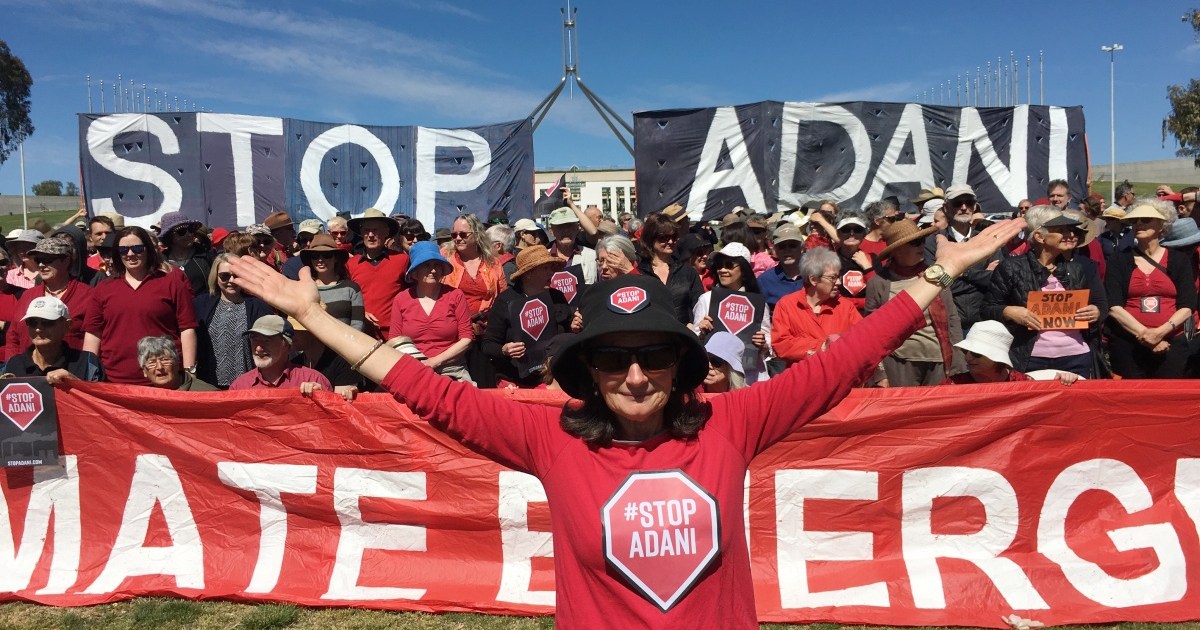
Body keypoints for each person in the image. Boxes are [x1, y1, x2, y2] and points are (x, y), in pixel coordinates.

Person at [226, 214, 1021, 629]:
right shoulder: (549, 435)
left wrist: (942, 273)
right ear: (585, 370)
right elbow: (427, 390)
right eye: (611, 359)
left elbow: (839, 362)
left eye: (653, 355)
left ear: (681, 364)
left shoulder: (732, 423)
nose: (635, 375)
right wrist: (314, 317)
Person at [982, 208, 1107, 378]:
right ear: (1040, 237)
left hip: (1076, 356)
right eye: (1061, 230)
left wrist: (1094, 312)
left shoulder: (1076, 269)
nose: (1069, 234)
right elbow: (987, 308)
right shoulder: (1011, 267)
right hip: (1029, 357)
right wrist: (1009, 311)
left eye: (1069, 229)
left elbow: (1098, 306)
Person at [83, 226, 199, 384]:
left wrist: (189, 372)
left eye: (137, 248)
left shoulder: (172, 283)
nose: (130, 254)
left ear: (149, 250)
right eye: (123, 250)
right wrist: (89, 375)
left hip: (164, 379)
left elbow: (187, 329)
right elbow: (92, 333)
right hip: (115, 380)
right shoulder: (103, 288)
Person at [1104, 199, 1196, 378]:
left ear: (1162, 225)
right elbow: (1114, 306)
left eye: (1145, 219)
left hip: (1172, 343)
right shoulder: (1119, 260)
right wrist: (1146, 335)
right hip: (1128, 343)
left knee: (1168, 398)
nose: (1138, 224)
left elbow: (1187, 305)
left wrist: (1160, 333)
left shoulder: (1179, 260)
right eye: (1135, 220)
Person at [867, 219, 965, 386]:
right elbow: (870, 332)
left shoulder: (938, 273)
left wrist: (959, 360)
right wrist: (879, 373)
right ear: (897, 250)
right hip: (898, 362)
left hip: (939, 360)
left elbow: (952, 318)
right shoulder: (878, 283)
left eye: (922, 241)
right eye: (915, 242)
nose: (921, 246)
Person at [482, 246, 574, 388]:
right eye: (545, 269)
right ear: (528, 274)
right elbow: (488, 345)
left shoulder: (557, 296)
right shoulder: (506, 301)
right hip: (516, 381)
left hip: (555, 378)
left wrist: (575, 327)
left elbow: (568, 332)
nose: (551, 273)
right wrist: (505, 350)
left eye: (551, 268)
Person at [389, 241, 474, 383]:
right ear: (415, 272)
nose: (433, 270)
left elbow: (467, 338)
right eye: (427, 265)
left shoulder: (455, 295)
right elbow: (395, 341)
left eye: (437, 265)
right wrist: (417, 365)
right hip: (412, 369)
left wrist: (434, 362)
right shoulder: (401, 299)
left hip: (452, 369)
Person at [924, 184, 1001, 332]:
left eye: (969, 202)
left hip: (983, 321)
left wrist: (962, 273)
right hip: (949, 323)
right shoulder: (934, 241)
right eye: (957, 203)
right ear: (946, 207)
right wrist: (982, 275)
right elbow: (936, 282)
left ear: (974, 206)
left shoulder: (988, 238)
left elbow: (997, 280)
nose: (964, 207)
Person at [691, 243, 771, 383]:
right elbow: (695, 343)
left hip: (751, 379)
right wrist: (702, 333)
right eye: (719, 265)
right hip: (718, 380)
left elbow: (768, 339)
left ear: (744, 270)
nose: (722, 270)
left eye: (729, 265)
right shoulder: (706, 300)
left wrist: (763, 343)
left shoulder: (757, 303)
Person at [6, 236, 93, 363]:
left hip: (70, 373)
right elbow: (13, 336)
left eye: (48, 260)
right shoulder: (28, 296)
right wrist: (12, 369)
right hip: (29, 374)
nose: (41, 265)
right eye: (38, 260)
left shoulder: (88, 296)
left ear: (66, 261)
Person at [193, 253, 273, 389]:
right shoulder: (201, 304)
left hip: (249, 385)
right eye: (224, 276)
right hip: (209, 385)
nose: (231, 281)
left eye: (236, 276)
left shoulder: (258, 306)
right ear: (215, 277)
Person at [772, 247, 863, 364]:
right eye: (832, 278)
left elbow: (863, 339)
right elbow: (781, 344)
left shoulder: (845, 307)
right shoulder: (787, 305)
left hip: (841, 376)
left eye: (838, 276)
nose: (839, 282)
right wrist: (822, 346)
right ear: (813, 280)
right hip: (803, 377)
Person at [942, 320, 1078, 385]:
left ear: (997, 358)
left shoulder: (1023, 383)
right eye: (966, 351)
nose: (968, 357)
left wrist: (1062, 383)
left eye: (977, 353)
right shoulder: (953, 385)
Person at [3, 296, 101, 383]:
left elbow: (102, 401)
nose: (38, 329)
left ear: (67, 326)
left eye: (47, 322)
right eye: (32, 322)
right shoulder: (12, 365)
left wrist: (75, 384)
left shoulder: (87, 363)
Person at [346, 208, 409, 340]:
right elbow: (346, 300)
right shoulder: (351, 264)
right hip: (361, 336)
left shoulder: (402, 260)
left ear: (386, 232)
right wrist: (360, 313)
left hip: (395, 336)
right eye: (366, 230)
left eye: (375, 230)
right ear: (361, 233)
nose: (370, 235)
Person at [228, 315, 331, 394]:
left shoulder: (313, 380)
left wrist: (321, 397)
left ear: (286, 345)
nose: (258, 348)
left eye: (266, 341)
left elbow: (333, 418)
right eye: (255, 340)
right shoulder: (240, 386)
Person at [637, 213, 702, 324]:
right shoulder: (639, 273)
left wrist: (694, 325)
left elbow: (699, 306)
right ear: (650, 238)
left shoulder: (688, 272)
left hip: (683, 336)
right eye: (664, 238)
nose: (671, 241)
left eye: (674, 237)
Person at [302, 234, 364, 332]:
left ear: (336, 258)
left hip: (345, 345)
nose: (320, 260)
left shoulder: (351, 289)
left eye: (327, 255)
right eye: (315, 256)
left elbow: (358, 325)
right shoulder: (304, 289)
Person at [830, 212, 875, 313]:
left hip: (867, 317)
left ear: (864, 234)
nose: (851, 233)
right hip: (838, 314)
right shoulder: (829, 259)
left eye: (857, 230)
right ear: (838, 233)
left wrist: (868, 267)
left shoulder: (872, 259)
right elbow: (827, 294)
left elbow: (879, 294)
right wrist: (860, 302)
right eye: (845, 230)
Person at [159, 211, 212, 296]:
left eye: (190, 230)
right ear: (169, 236)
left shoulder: (206, 255)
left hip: (202, 307)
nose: (189, 234)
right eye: (182, 231)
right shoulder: (160, 260)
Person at [138, 335, 218, 391]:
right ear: (144, 371)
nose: (159, 367)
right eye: (152, 363)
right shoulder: (142, 400)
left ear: (177, 363)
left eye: (165, 360)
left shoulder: (207, 394)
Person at [757, 223, 806, 310]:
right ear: (775, 250)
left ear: (802, 248)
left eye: (792, 245)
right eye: (782, 247)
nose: (787, 250)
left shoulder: (815, 275)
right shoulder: (764, 281)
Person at [547, 206, 598, 284]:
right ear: (552, 231)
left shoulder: (592, 256)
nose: (566, 231)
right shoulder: (543, 258)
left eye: (570, 226)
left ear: (577, 228)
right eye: (560, 227)